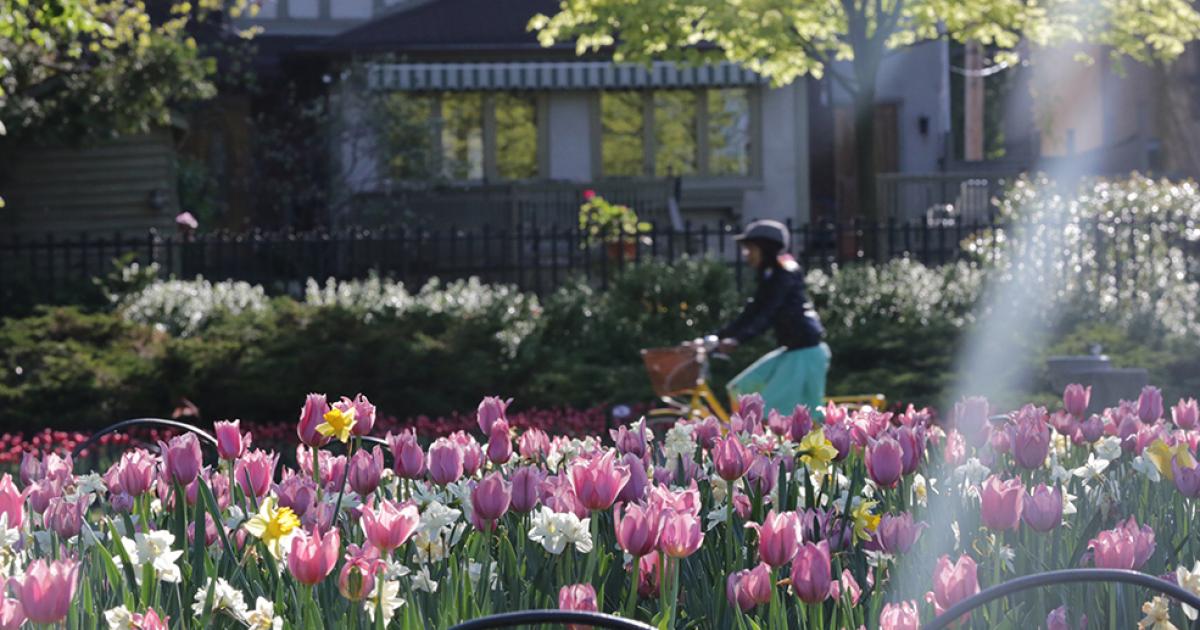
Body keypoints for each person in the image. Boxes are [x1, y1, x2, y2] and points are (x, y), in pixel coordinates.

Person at [713, 219, 830, 415]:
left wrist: (737, 339)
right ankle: (744, 432)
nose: (746, 254)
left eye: (751, 248)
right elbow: (753, 310)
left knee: (771, 413)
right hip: (793, 349)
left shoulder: (784, 273)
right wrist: (719, 335)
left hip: (804, 352)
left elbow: (768, 312)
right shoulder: (771, 274)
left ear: (766, 248)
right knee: (741, 388)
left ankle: (763, 442)